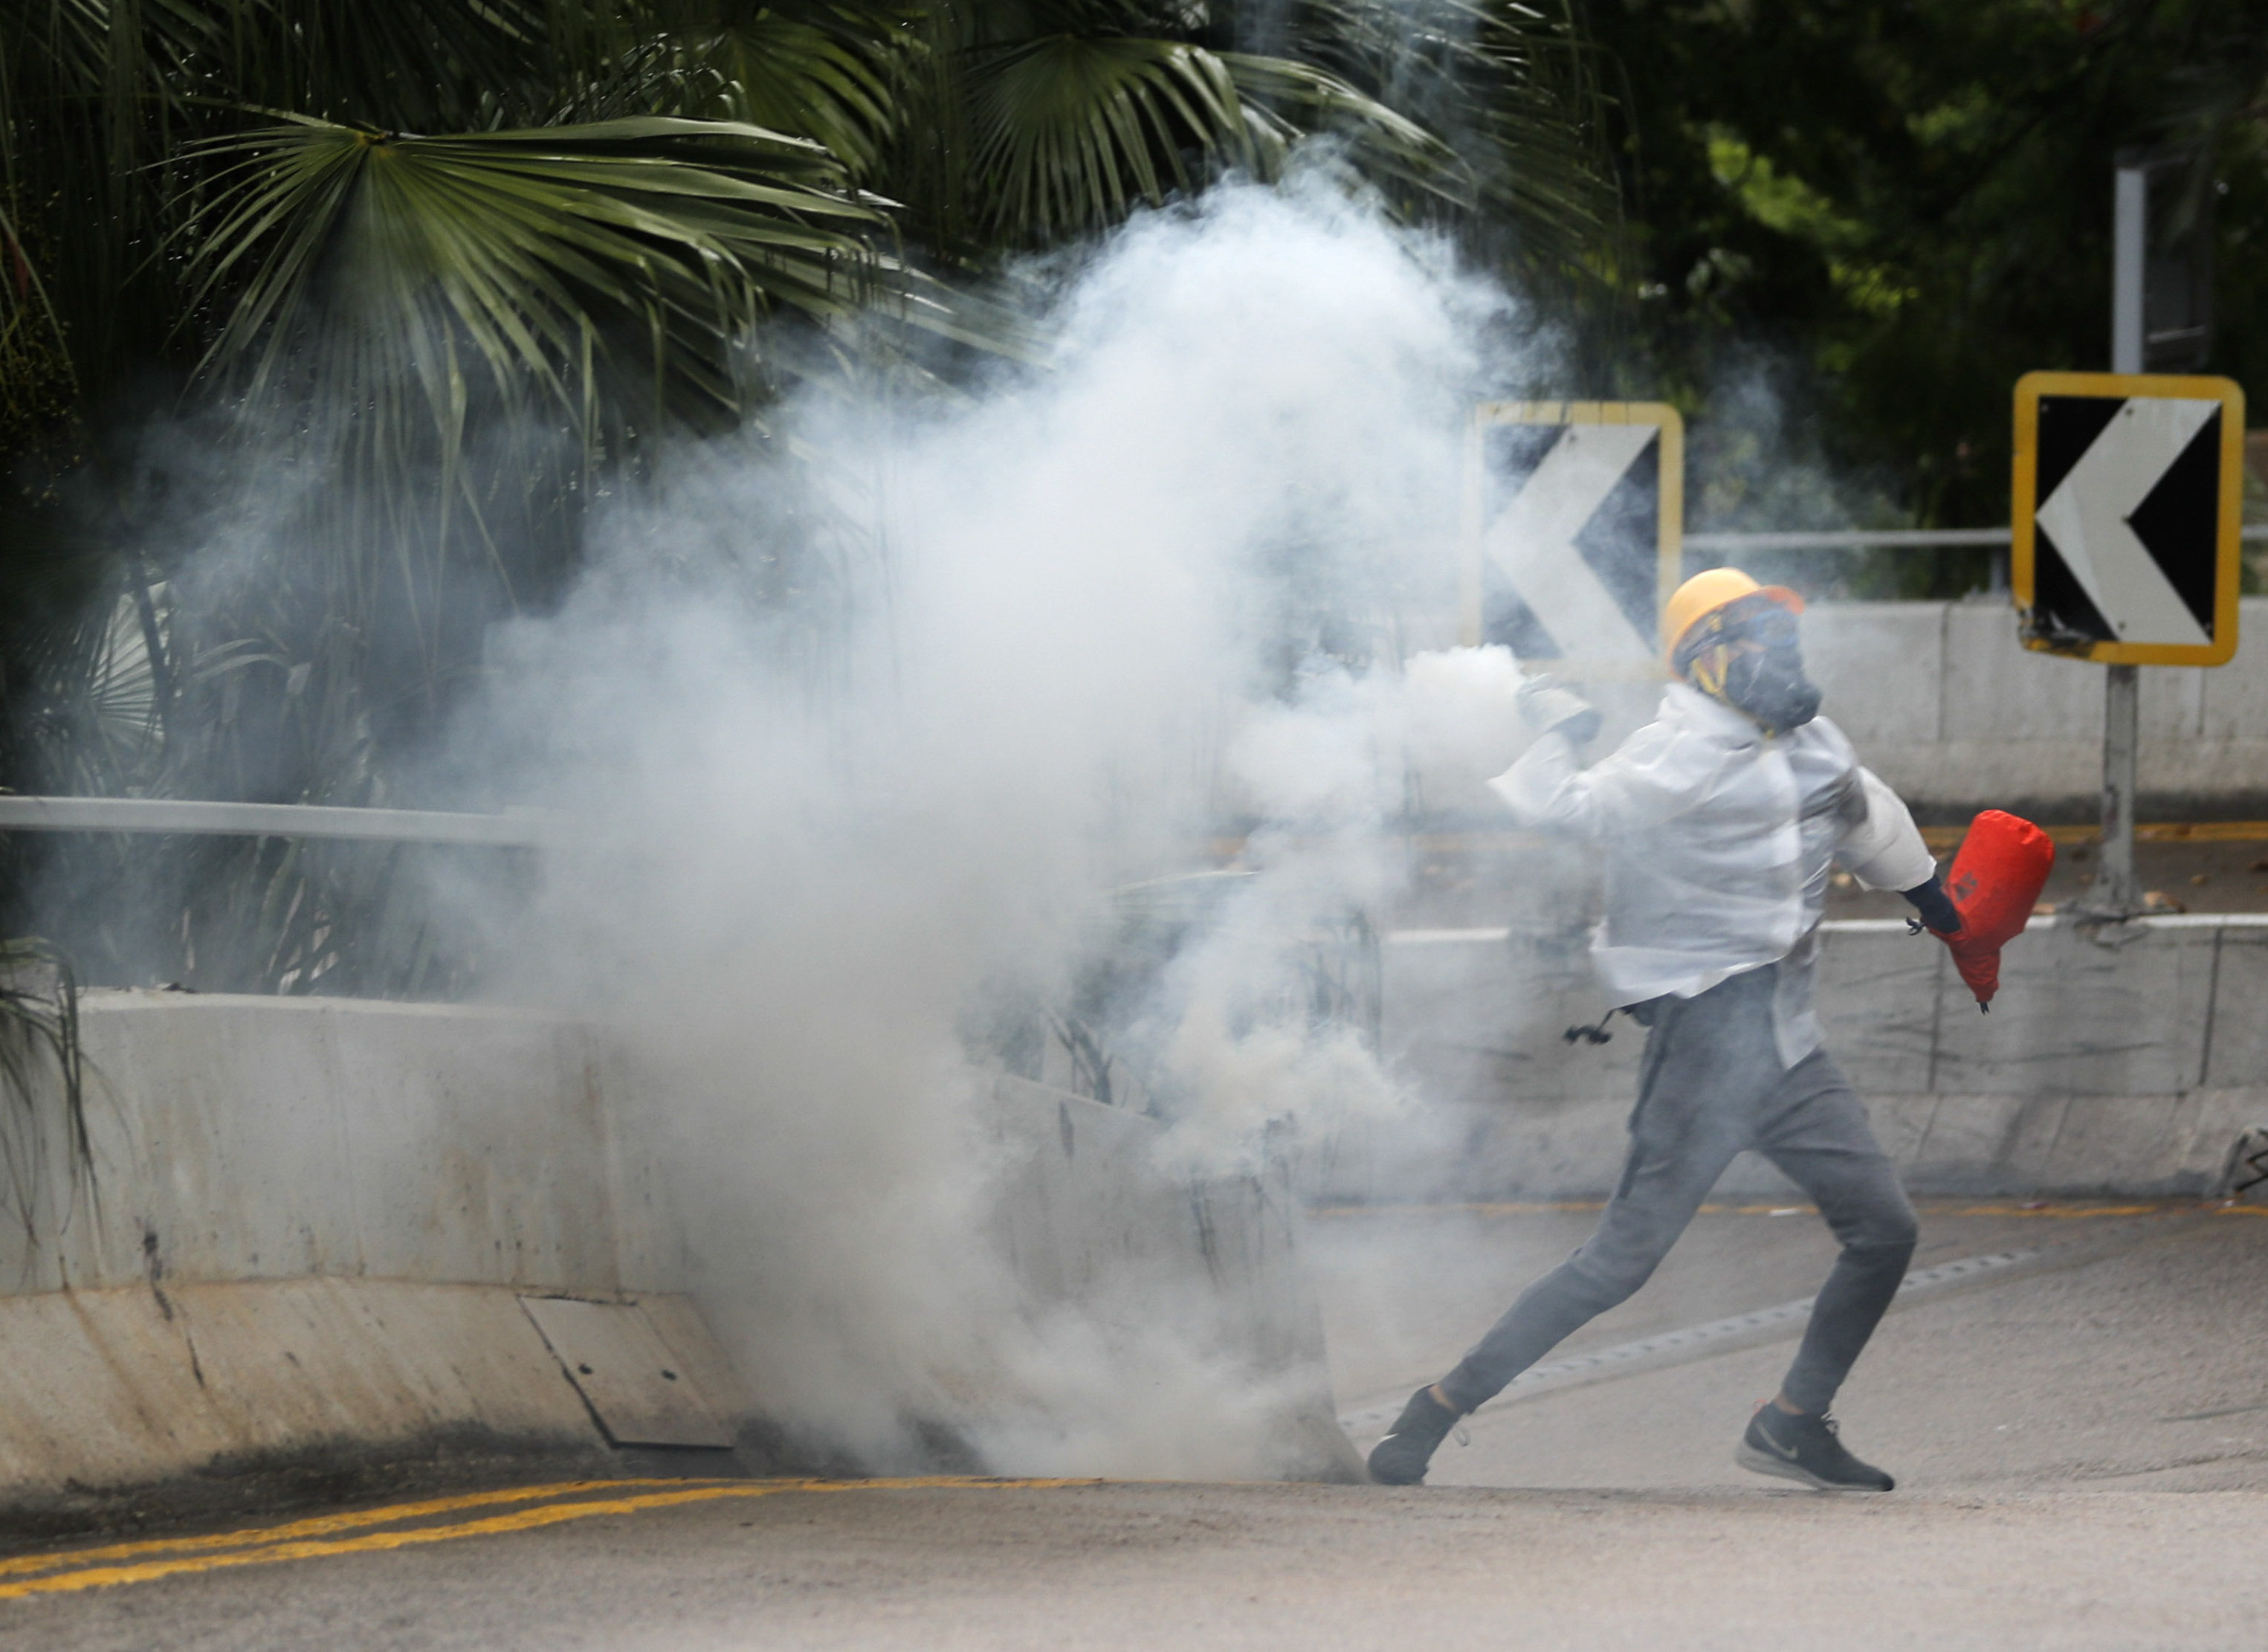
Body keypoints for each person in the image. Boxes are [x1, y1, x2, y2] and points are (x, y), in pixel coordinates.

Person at [1368, 567, 1961, 1493]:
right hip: (1705, 1035)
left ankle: (1792, 1424)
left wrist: (1946, 912)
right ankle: (1438, 1408)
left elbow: (1870, 821)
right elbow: (1574, 810)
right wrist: (1556, 734)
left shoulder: (1814, 744)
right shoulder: (1676, 746)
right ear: (1704, 654)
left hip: (1785, 1037)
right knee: (1619, 1262)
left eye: (1783, 635)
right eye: (1756, 634)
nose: (1780, 654)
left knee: (1884, 1227)